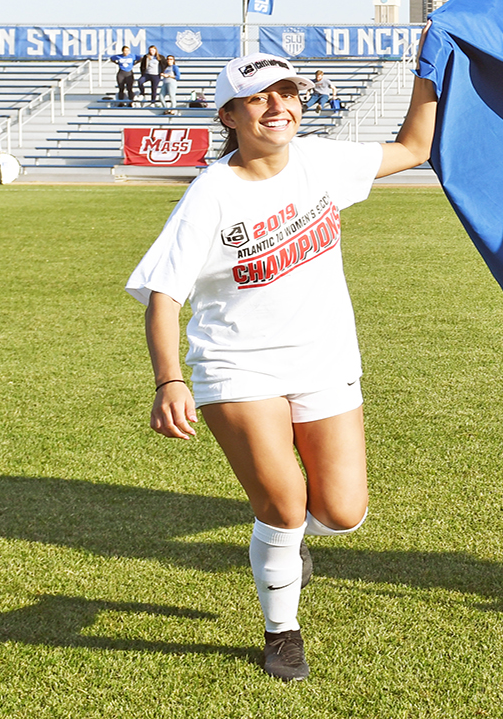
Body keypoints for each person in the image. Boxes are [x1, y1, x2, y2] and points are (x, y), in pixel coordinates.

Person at [128, 52, 438, 682]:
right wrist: (169, 381)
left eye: (287, 94)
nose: (278, 107)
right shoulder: (211, 192)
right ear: (230, 115)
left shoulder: (323, 159)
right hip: (236, 366)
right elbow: (164, 295)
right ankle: (282, 630)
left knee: (344, 513)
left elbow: (412, 146)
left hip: (324, 362)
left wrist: (428, 66)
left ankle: (288, 550)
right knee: (283, 504)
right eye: (259, 98)